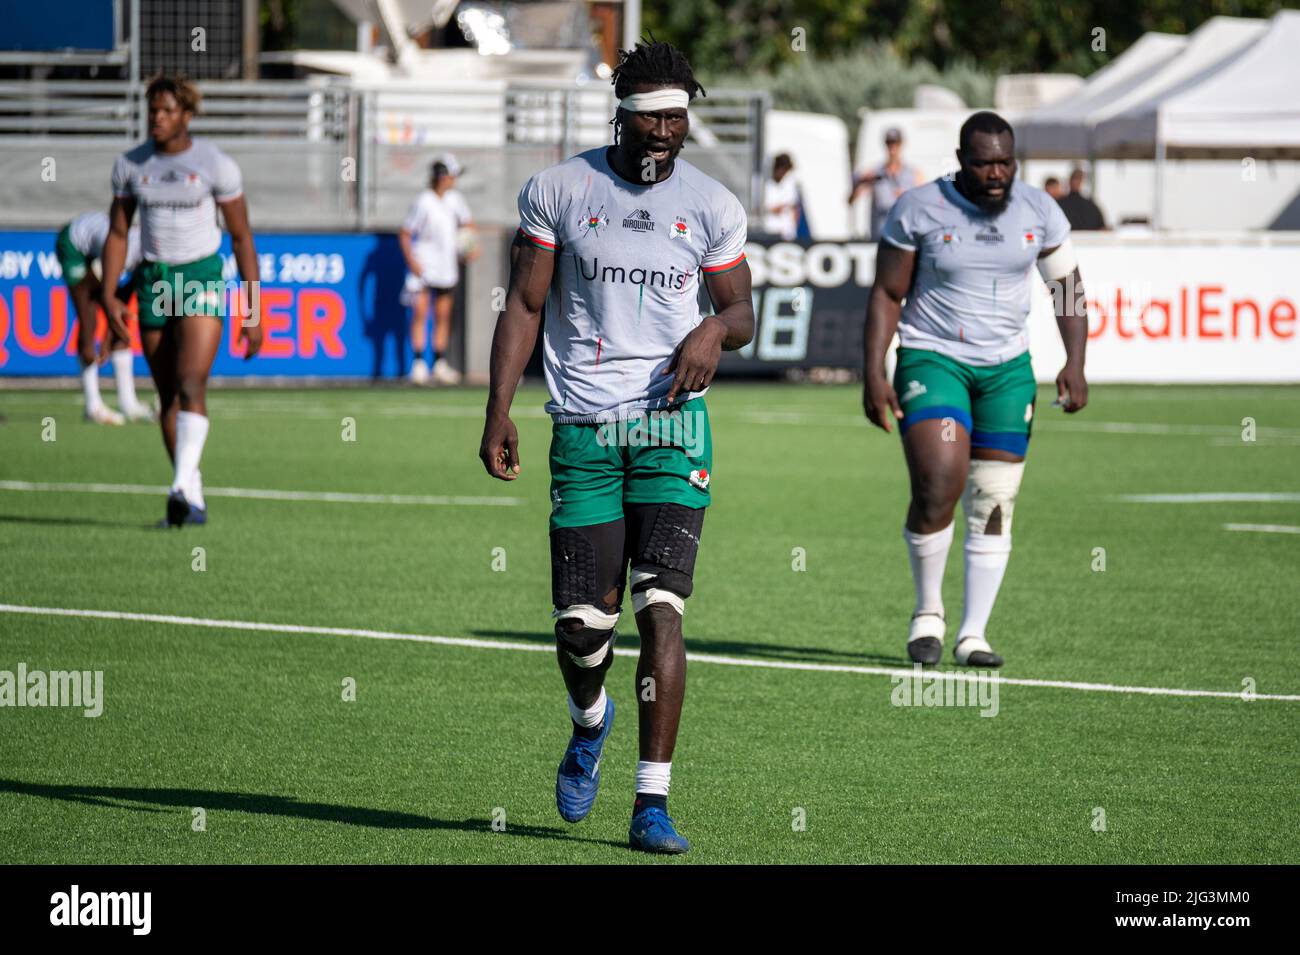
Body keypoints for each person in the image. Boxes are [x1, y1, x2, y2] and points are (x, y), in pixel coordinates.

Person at [478, 39, 754, 854]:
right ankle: (588, 721)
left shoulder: (712, 204)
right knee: (581, 630)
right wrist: (499, 408)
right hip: (585, 427)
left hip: (673, 425)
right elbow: (525, 306)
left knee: (661, 610)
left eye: (679, 117)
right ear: (623, 117)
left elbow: (741, 313)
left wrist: (712, 326)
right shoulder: (559, 190)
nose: (668, 131)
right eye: (654, 117)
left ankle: (651, 802)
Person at [863, 111, 1089, 669]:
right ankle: (928, 613)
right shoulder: (918, 208)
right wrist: (872, 371)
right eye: (984, 163)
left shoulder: (1039, 209)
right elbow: (889, 293)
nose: (996, 173)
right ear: (962, 161)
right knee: (940, 481)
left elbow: (1066, 286)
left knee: (994, 500)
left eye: (1005, 162)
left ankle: (973, 635)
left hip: (1008, 370)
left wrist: (1075, 362)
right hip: (933, 357)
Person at [101, 74, 263, 527]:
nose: (157, 118)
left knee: (192, 383)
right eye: (152, 109)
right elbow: (117, 232)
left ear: (187, 115)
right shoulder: (131, 165)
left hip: (200, 277)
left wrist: (251, 312)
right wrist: (112, 294)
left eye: (167, 110)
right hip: (154, 279)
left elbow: (242, 238)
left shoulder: (215, 164)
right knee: (168, 396)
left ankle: (178, 487)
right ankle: (191, 496)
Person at [55, 211, 148, 424]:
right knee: (89, 321)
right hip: (73, 245)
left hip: (98, 251)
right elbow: (107, 296)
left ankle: (128, 403)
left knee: (121, 323)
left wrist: (111, 335)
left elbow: (122, 299)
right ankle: (93, 406)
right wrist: (105, 335)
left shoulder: (149, 253)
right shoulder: (125, 252)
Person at [399, 154, 476, 385]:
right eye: (452, 175)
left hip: (446, 265)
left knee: (443, 315)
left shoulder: (455, 199)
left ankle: (439, 363)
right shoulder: (423, 201)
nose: (455, 180)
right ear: (443, 176)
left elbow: (468, 224)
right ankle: (419, 363)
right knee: (421, 313)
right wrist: (412, 261)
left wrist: (468, 245)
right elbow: (405, 233)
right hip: (424, 264)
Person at [849, 127, 924, 240]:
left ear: (901, 144)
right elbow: (851, 200)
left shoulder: (913, 173)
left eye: (895, 143)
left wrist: (907, 197)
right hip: (880, 238)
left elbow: (924, 203)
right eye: (889, 143)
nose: (892, 147)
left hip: (904, 238)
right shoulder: (875, 173)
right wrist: (859, 183)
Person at [762, 153, 800, 240]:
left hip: (788, 233)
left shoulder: (790, 185)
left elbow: (795, 208)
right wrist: (784, 206)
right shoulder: (767, 185)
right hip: (771, 230)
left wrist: (793, 226)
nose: (784, 173)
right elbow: (769, 208)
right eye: (782, 169)